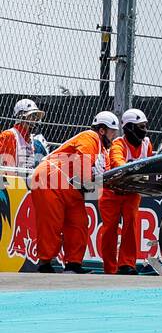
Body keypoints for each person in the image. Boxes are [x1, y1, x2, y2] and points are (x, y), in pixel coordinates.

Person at [30, 111, 117, 273]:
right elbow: (83, 161)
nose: (114, 136)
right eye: (113, 131)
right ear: (102, 130)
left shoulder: (103, 152)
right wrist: (91, 179)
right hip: (49, 178)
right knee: (51, 224)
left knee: (79, 224)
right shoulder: (90, 136)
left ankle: (73, 264)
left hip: (71, 189)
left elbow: (105, 176)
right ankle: (45, 263)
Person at [98, 108, 153, 275]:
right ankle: (110, 267)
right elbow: (117, 163)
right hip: (111, 192)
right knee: (110, 229)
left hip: (132, 192)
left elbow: (150, 165)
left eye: (144, 126)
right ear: (129, 128)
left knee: (131, 226)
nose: (143, 130)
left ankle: (127, 264)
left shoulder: (146, 144)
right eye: (140, 126)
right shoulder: (118, 144)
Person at [0, 98, 43, 174]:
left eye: (35, 116)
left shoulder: (32, 139)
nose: (35, 119)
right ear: (21, 116)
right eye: (32, 116)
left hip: (24, 181)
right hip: (9, 182)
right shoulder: (9, 135)